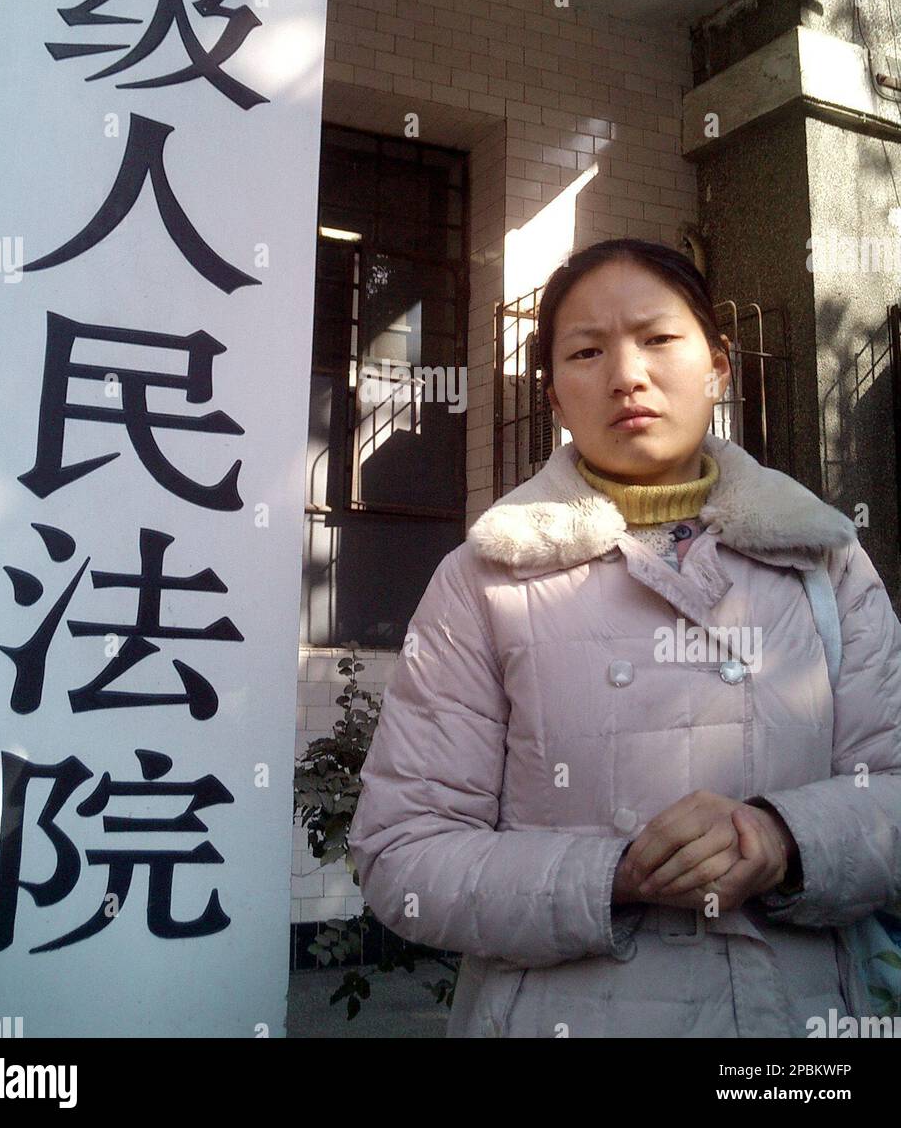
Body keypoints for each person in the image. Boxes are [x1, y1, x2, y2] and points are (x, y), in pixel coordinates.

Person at [348, 238, 901, 1038]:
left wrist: (784, 839)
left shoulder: (822, 558)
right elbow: (403, 852)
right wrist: (610, 875)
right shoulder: (483, 580)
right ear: (554, 398)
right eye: (585, 351)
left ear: (716, 366)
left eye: (657, 339)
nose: (626, 375)